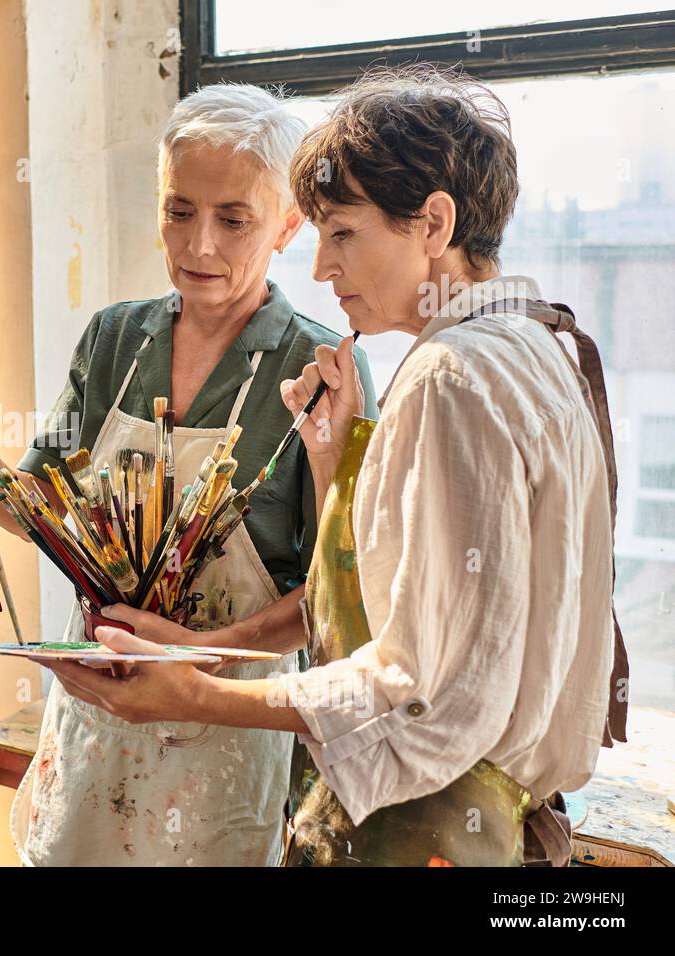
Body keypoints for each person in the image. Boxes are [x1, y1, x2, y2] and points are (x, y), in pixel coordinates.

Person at [42, 66, 628, 867]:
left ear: (434, 223)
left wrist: (199, 689)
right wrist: (335, 457)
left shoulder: (448, 375)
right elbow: (418, 626)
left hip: (427, 823)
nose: (320, 267)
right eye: (179, 211)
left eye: (343, 233)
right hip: (494, 817)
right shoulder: (539, 347)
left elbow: (412, 692)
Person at [0, 82, 376, 866]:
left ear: (287, 223)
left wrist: (199, 658)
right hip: (99, 709)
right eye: (179, 210)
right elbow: (36, 511)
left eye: (234, 219)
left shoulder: (322, 366)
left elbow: (338, 592)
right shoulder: (112, 340)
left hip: (229, 730)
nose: (199, 246)